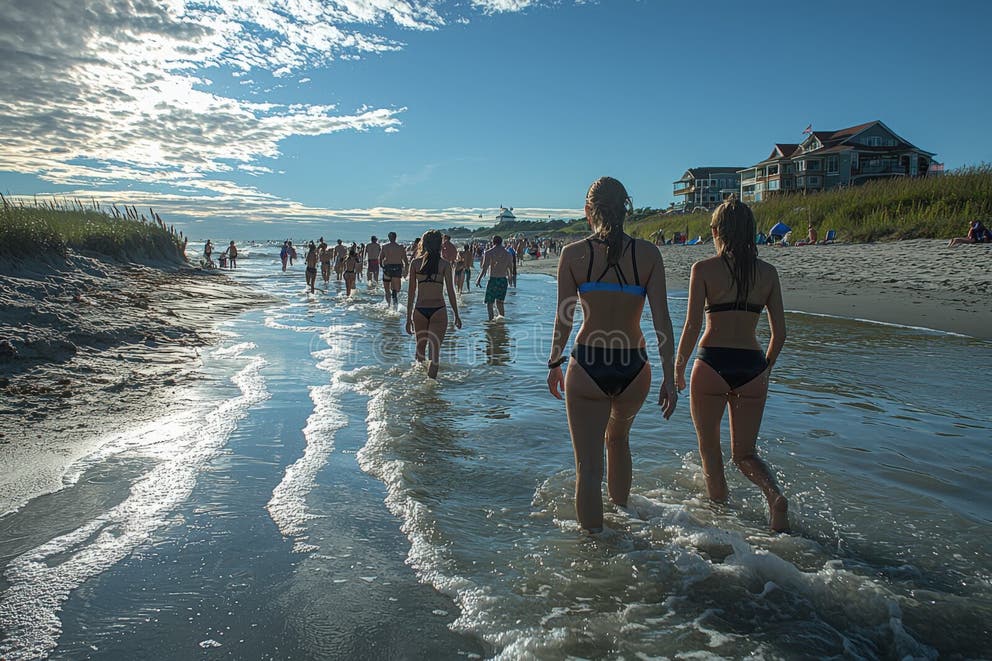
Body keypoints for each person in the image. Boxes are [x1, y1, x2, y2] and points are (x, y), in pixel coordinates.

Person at [546, 176, 677, 534]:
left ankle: (596, 557)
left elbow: (564, 318)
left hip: (588, 364)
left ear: (588, 211)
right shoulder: (648, 254)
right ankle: (624, 522)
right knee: (618, 441)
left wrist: (555, 362)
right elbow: (662, 319)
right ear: (626, 209)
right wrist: (670, 376)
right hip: (635, 368)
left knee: (588, 469)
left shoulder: (573, 255)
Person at [674, 198, 789, 533]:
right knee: (744, 455)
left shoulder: (704, 269)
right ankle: (773, 495)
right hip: (752, 364)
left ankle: (721, 520)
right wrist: (765, 369)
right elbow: (780, 332)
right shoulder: (767, 273)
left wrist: (678, 367)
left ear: (716, 231)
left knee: (710, 450)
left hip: (712, 363)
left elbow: (693, 326)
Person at [406, 230, 462, 379]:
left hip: (419, 310)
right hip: (438, 310)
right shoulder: (444, 265)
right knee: (434, 355)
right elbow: (451, 292)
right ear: (440, 245)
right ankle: (431, 389)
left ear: (423, 244)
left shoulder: (415, 263)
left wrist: (408, 318)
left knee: (420, 351)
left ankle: (421, 389)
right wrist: (456, 314)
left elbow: (411, 294)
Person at [476, 236, 514, 320]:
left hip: (493, 279)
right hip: (503, 280)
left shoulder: (489, 252)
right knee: (500, 303)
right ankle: (501, 322)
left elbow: (484, 268)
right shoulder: (508, 253)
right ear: (501, 242)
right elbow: (510, 269)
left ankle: (491, 323)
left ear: (493, 242)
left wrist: (479, 279)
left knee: (490, 303)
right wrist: (510, 279)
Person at [380, 231, 408, 308]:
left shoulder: (385, 247)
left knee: (387, 289)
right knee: (396, 289)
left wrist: (382, 266)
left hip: (387, 268)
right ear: (396, 237)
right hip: (397, 268)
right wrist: (406, 271)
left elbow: (380, 258)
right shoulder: (400, 247)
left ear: (389, 238)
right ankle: (394, 304)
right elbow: (405, 261)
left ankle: (389, 305)